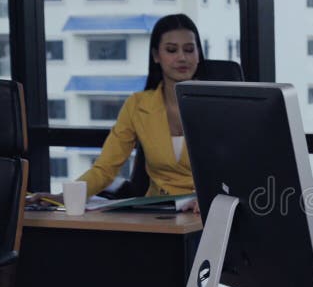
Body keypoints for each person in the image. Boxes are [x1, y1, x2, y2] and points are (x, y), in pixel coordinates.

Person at [30, 14, 204, 211]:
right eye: (171, 50)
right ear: (156, 55)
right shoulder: (138, 105)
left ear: (198, 54)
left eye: (189, 49)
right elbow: (105, 169)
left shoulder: (216, 104)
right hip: (160, 212)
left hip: (207, 210)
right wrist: (63, 197)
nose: (182, 57)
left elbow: (236, 168)